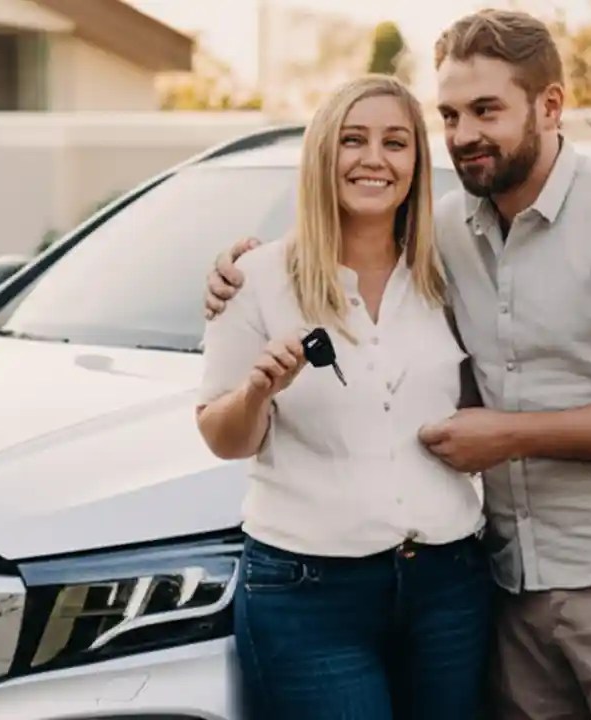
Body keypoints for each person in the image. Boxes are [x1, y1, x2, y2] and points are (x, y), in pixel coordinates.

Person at [204, 9, 591, 720]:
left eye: (486, 109)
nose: (463, 135)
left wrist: (512, 435)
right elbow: (342, 238)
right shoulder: (449, 234)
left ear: (551, 105)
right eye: (449, 114)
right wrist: (241, 271)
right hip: (507, 587)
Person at [195, 74, 491, 720]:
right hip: (308, 597)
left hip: (449, 585)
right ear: (322, 154)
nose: (374, 159)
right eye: (353, 140)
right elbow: (223, 438)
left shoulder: (451, 274)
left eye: (396, 142)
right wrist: (257, 392)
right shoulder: (257, 280)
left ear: (417, 161)